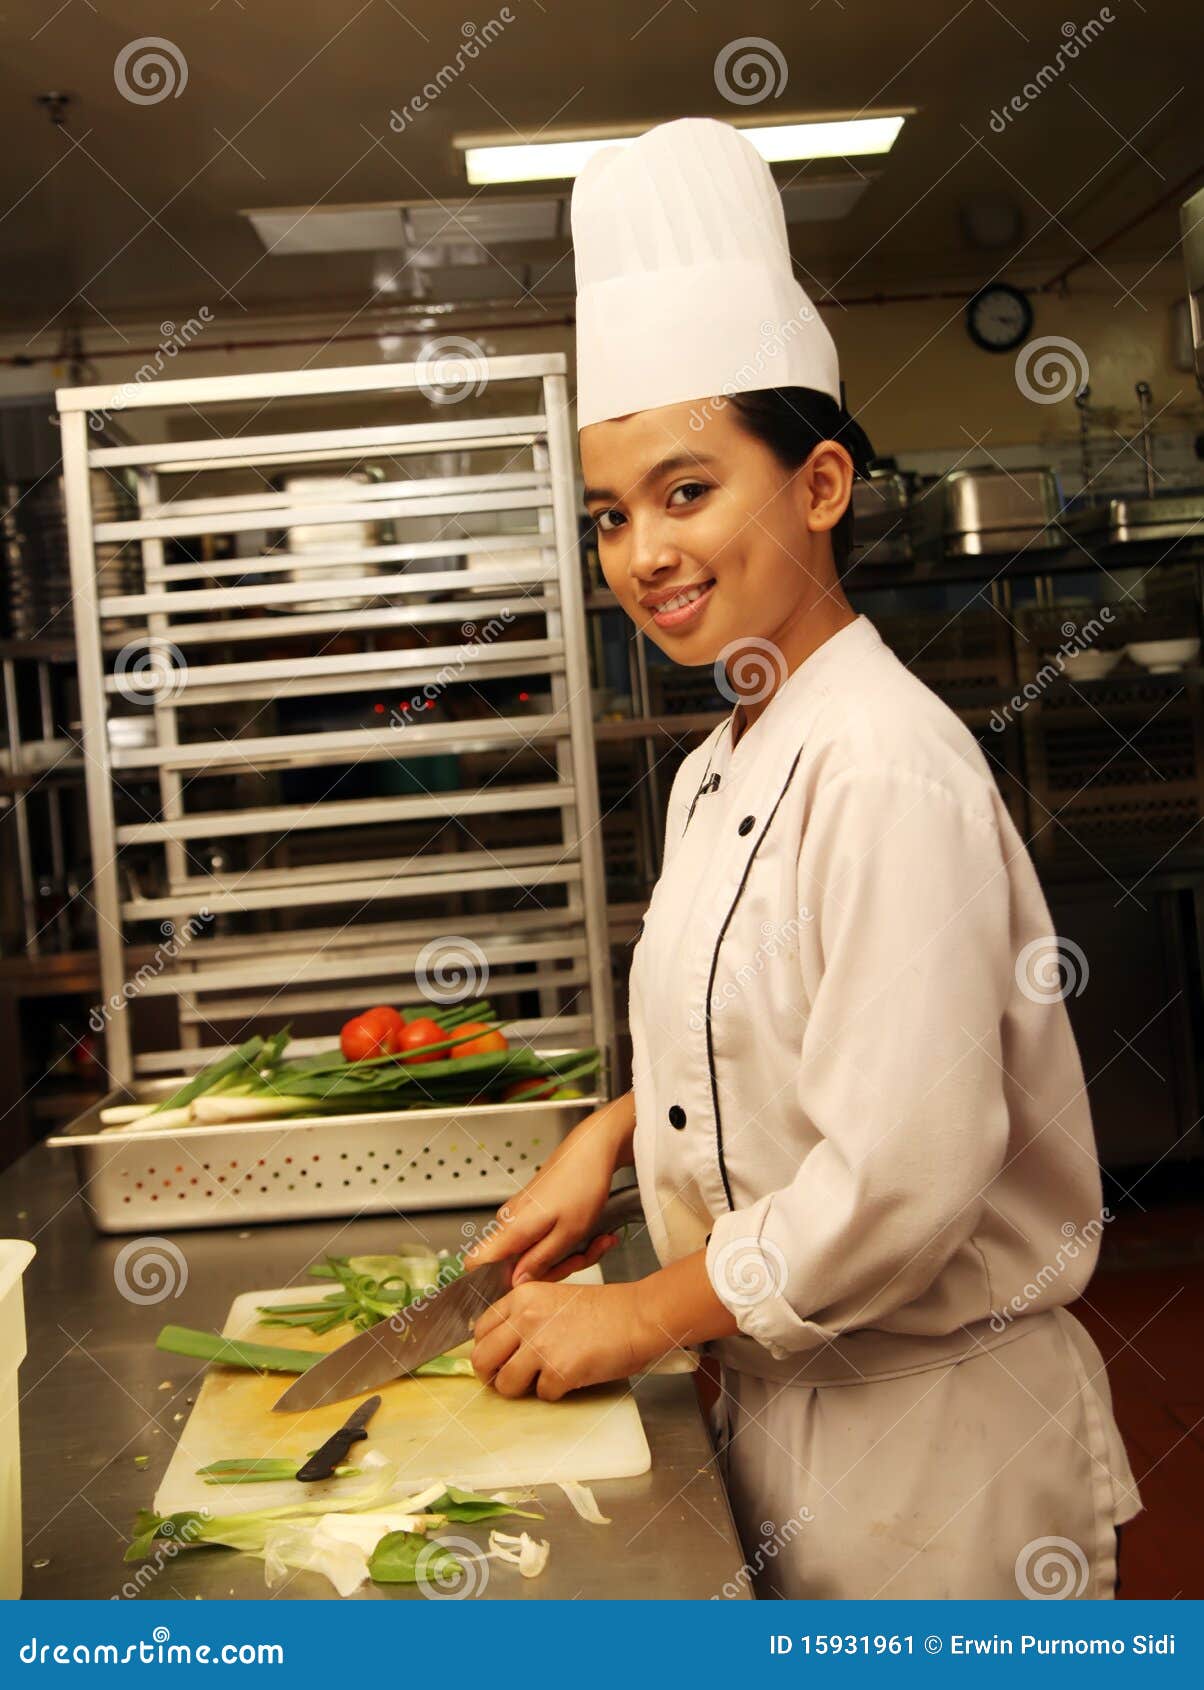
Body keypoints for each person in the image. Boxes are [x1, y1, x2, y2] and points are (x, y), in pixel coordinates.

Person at [466, 117, 1142, 1600]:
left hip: (944, 1465)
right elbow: (796, 1021)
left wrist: (641, 1311)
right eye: (610, 515)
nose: (643, 550)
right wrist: (618, 1133)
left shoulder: (887, 766)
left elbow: (904, 1170)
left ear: (822, 484)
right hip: (788, 1416)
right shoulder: (725, 765)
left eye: (687, 489)